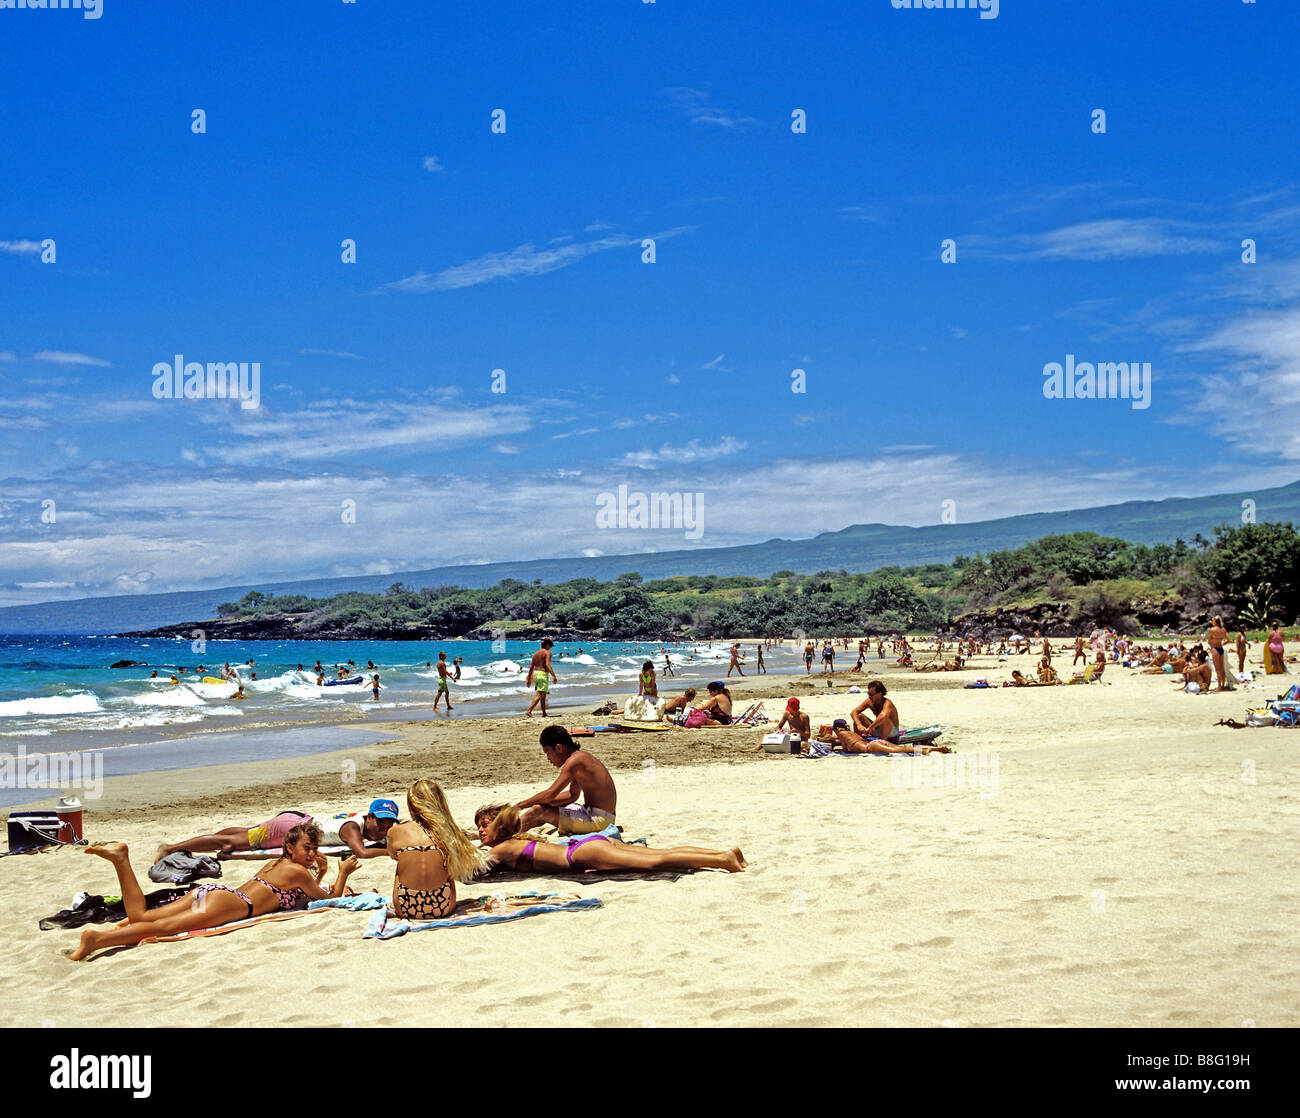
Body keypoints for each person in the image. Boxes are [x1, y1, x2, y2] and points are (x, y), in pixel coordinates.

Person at [70, 825, 359, 961]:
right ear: (290, 849)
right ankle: (98, 940)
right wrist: (342, 871)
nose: (312, 854)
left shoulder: (278, 865)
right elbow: (325, 899)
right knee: (160, 927)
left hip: (214, 893)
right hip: (233, 903)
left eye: (314, 849)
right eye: (307, 849)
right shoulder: (296, 872)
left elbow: (310, 892)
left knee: (140, 915)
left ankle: (121, 859)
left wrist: (320, 872)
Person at [476, 804, 746, 874]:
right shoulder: (516, 840)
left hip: (582, 855)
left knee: (658, 860)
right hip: (587, 846)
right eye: (478, 828)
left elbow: (473, 869)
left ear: (500, 829)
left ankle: (723, 860)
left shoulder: (501, 849)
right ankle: (724, 853)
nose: (480, 832)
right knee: (657, 853)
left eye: (485, 826)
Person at [154, 799, 400, 864]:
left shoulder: (365, 823)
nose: (383, 829)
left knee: (246, 834)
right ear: (369, 817)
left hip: (296, 820)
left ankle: (190, 844)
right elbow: (363, 854)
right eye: (380, 823)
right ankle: (172, 848)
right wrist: (390, 850)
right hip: (289, 829)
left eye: (389, 825)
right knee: (230, 843)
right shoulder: (352, 828)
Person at [387, 779, 486, 920]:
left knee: (402, 861)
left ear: (410, 806)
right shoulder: (448, 831)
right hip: (443, 906)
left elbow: (393, 855)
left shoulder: (395, 831)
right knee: (447, 860)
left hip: (405, 908)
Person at [516, 725, 617, 835]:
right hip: (605, 818)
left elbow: (549, 794)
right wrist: (548, 802)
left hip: (599, 821)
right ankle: (512, 828)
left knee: (539, 811)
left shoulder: (574, 761)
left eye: (548, 753)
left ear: (559, 748)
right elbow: (572, 794)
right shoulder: (580, 757)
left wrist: (519, 806)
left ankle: (505, 832)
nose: (548, 758)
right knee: (546, 807)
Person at [827, 720, 950, 755]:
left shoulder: (842, 735)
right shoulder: (851, 733)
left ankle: (925, 750)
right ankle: (936, 749)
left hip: (870, 747)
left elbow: (844, 748)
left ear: (837, 730)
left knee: (900, 750)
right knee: (901, 748)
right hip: (876, 742)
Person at [525, 639, 558, 716]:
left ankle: (544, 713)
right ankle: (529, 711)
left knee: (543, 694)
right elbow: (547, 664)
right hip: (542, 674)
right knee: (540, 694)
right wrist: (553, 675)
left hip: (536, 674)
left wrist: (529, 678)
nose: (551, 647)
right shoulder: (548, 653)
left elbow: (531, 667)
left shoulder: (536, 654)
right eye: (550, 646)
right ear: (547, 645)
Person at [1207, 615, 1229, 691]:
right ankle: (1222, 685)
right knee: (1222, 668)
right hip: (1220, 648)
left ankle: (1219, 686)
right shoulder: (1223, 630)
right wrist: (1222, 643)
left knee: (1217, 669)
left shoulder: (1212, 630)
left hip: (1215, 649)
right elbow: (1228, 640)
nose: (1212, 622)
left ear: (1215, 622)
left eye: (1213, 620)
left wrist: (1211, 645)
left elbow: (1209, 641)